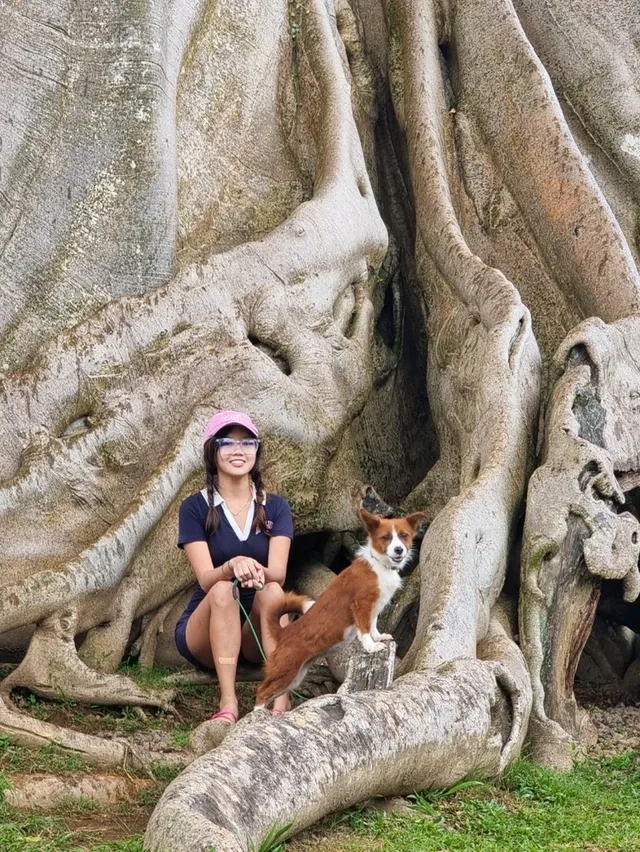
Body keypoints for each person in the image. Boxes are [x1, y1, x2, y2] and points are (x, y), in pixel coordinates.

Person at [175, 410, 294, 724]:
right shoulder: (195, 507)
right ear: (213, 452)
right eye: (227, 442)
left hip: (254, 631)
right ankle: (228, 703)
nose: (238, 450)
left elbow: (278, 572)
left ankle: (281, 698)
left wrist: (253, 569)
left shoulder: (276, 507)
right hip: (207, 625)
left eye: (247, 443)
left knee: (273, 590)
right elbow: (204, 579)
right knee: (222, 588)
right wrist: (231, 566)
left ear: (257, 450)